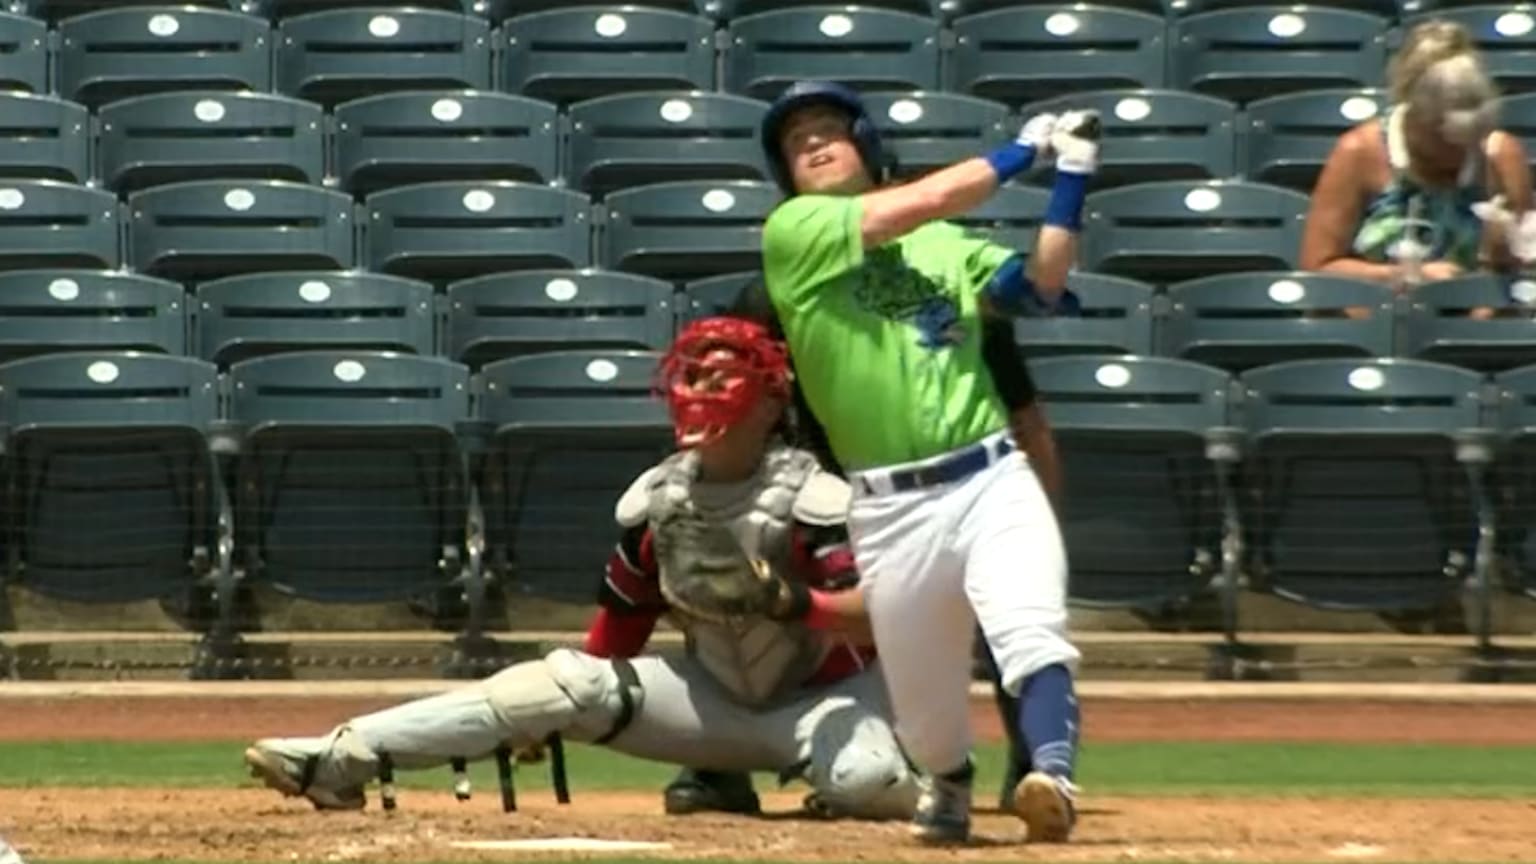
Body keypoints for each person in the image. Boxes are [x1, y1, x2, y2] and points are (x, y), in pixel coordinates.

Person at [242, 316, 919, 822]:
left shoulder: (815, 499)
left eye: (725, 379)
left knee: (866, 782)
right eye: (696, 377)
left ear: (772, 403)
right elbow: (619, 627)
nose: (703, 393)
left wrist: (790, 602)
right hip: (713, 697)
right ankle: (336, 759)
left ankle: (929, 785)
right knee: (551, 684)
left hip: (826, 700)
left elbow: (884, 614)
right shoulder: (660, 500)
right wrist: (556, 711)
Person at [755, 80, 1098, 845]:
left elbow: (1039, 285)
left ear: (867, 145)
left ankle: (1052, 773)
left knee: (1030, 627)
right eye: (796, 141)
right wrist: (1026, 151)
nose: (812, 143)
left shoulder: (948, 246)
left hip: (988, 474)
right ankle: (948, 781)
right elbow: (914, 205)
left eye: (828, 131)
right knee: (925, 713)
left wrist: (1071, 176)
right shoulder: (795, 231)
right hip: (887, 504)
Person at [1300, 20, 1532, 317]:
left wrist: (1505, 257)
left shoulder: (1501, 156)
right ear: (1414, 116)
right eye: (1445, 139)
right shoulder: (1358, 152)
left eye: (1472, 139)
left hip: (1476, 337)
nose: (1460, 152)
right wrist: (1405, 276)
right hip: (1377, 327)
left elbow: (1520, 277)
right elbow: (1317, 269)